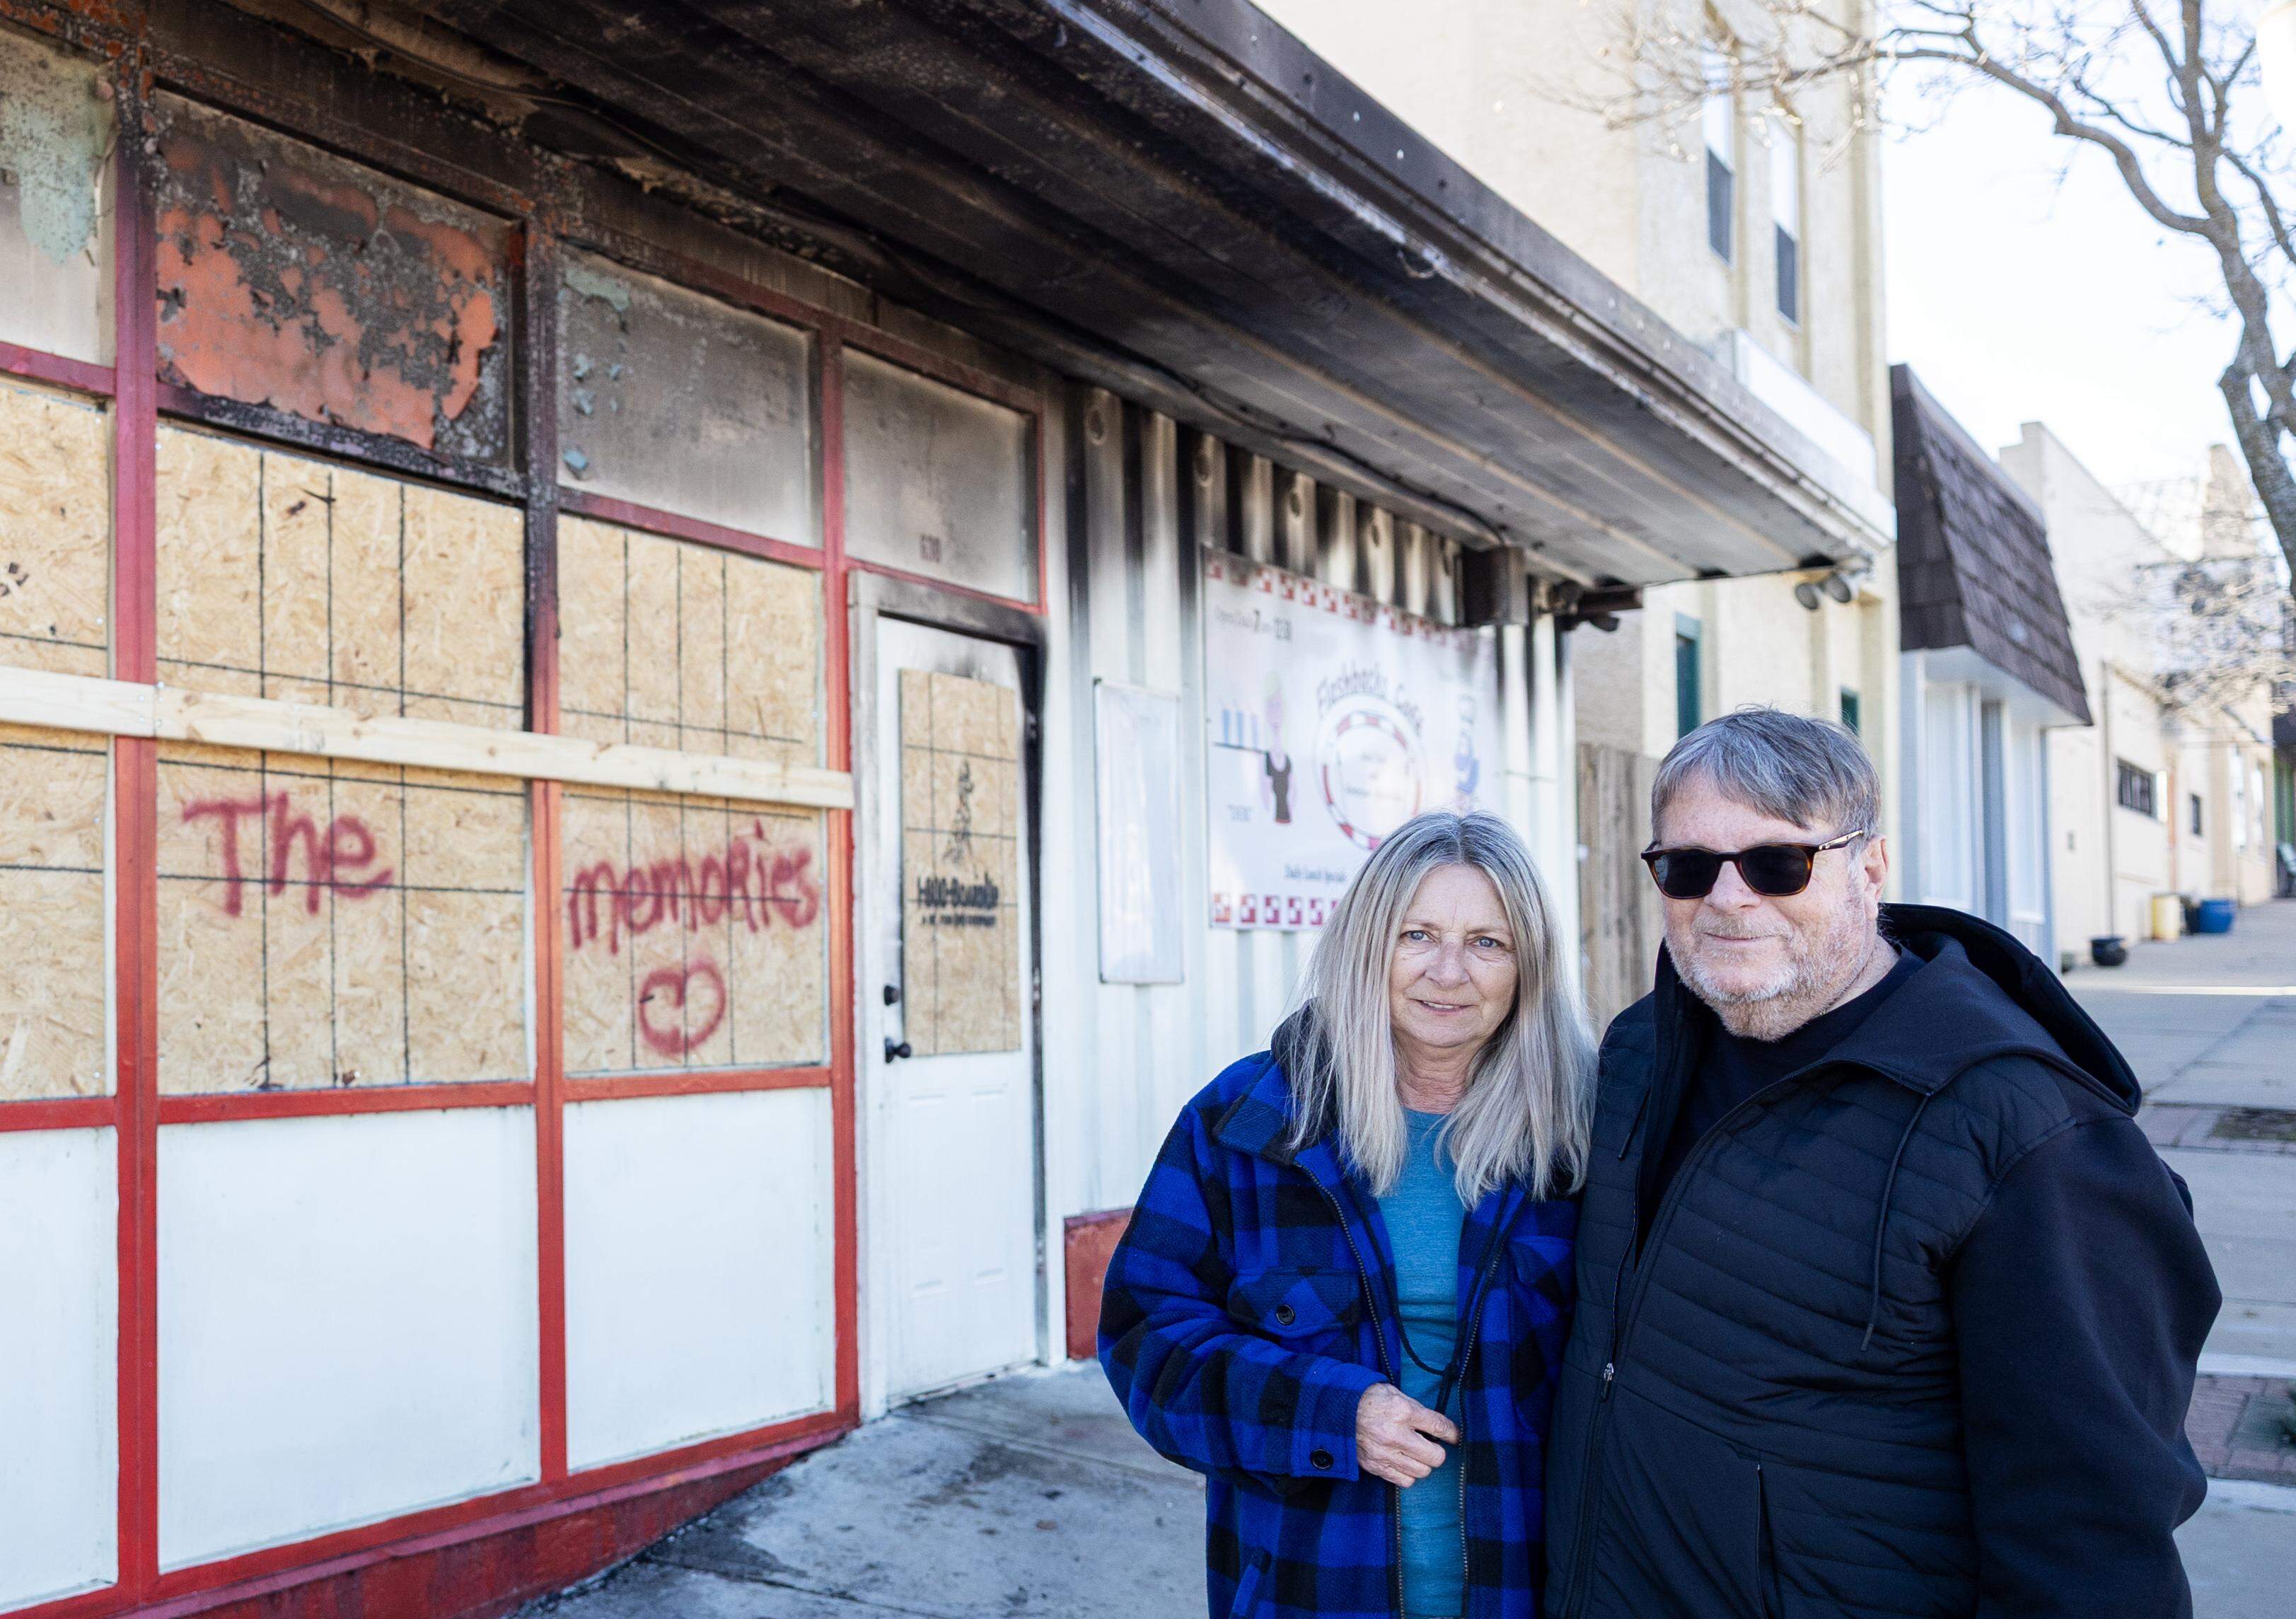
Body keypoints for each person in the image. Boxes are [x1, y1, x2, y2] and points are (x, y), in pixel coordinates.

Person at [1545, 709, 2220, 1619]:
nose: (1730, 899)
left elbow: (2091, 1542)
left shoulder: (2023, 1131)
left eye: (1779, 863)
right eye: (1690, 866)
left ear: (1869, 868)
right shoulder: (1635, 1055)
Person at [1101, 811, 1594, 1619]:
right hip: (1310, 1588)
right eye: (1416, 935)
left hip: (1529, 1593)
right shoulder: (1252, 1122)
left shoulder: (1584, 1140)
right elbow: (1144, 1339)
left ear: (1528, 968)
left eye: (1487, 943)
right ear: (1369, 945)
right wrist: (1329, 1412)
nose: (1448, 972)